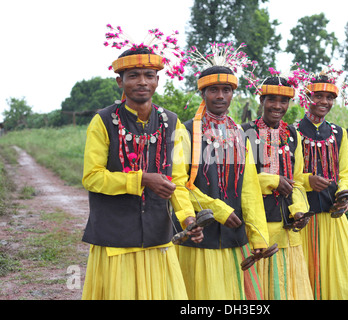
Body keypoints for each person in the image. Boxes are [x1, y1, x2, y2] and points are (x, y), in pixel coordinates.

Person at [81, 27, 203, 300]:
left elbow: (178, 182)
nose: (141, 82)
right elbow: (92, 177)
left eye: (149, 75)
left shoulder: (171, 122)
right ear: (119, 81)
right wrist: (142, 179)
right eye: (133, 76)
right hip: (115, 236)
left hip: (158, 235)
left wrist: (188, 218)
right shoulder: (102, 121)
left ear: (157, 80)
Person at [175, 43, 270, 300]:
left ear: (232, 94)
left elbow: (249, 188)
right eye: (213, 90)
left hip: (233, 238)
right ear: (202, 93)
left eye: (226, 90)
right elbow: (179, 184)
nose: (220, 96)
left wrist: (258, 236)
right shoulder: (185, 131)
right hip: (198, 235)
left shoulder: (241, 134)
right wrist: (218, 210)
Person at [295, 68, 348, 300]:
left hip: (331, 215)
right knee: (304, 273)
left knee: (340, 275)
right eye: (318, 96)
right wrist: (307, 180)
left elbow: (345, 171)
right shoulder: (293, 131)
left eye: (329, 98)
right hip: (302, 216)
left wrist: (343, 192)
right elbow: (289, 173)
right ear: (307, 98)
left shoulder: (338, 133)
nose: (324, 102)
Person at [241, 73, 313, 300]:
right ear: (261, 100)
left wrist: (299, 210)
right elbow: (242, 179)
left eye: (284, 101)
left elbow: (299, 179)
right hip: (261, 227)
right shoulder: (244, 132)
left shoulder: (293, 135)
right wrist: (272, 181)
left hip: (289, 229)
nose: (278, 106)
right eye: (272, 100)